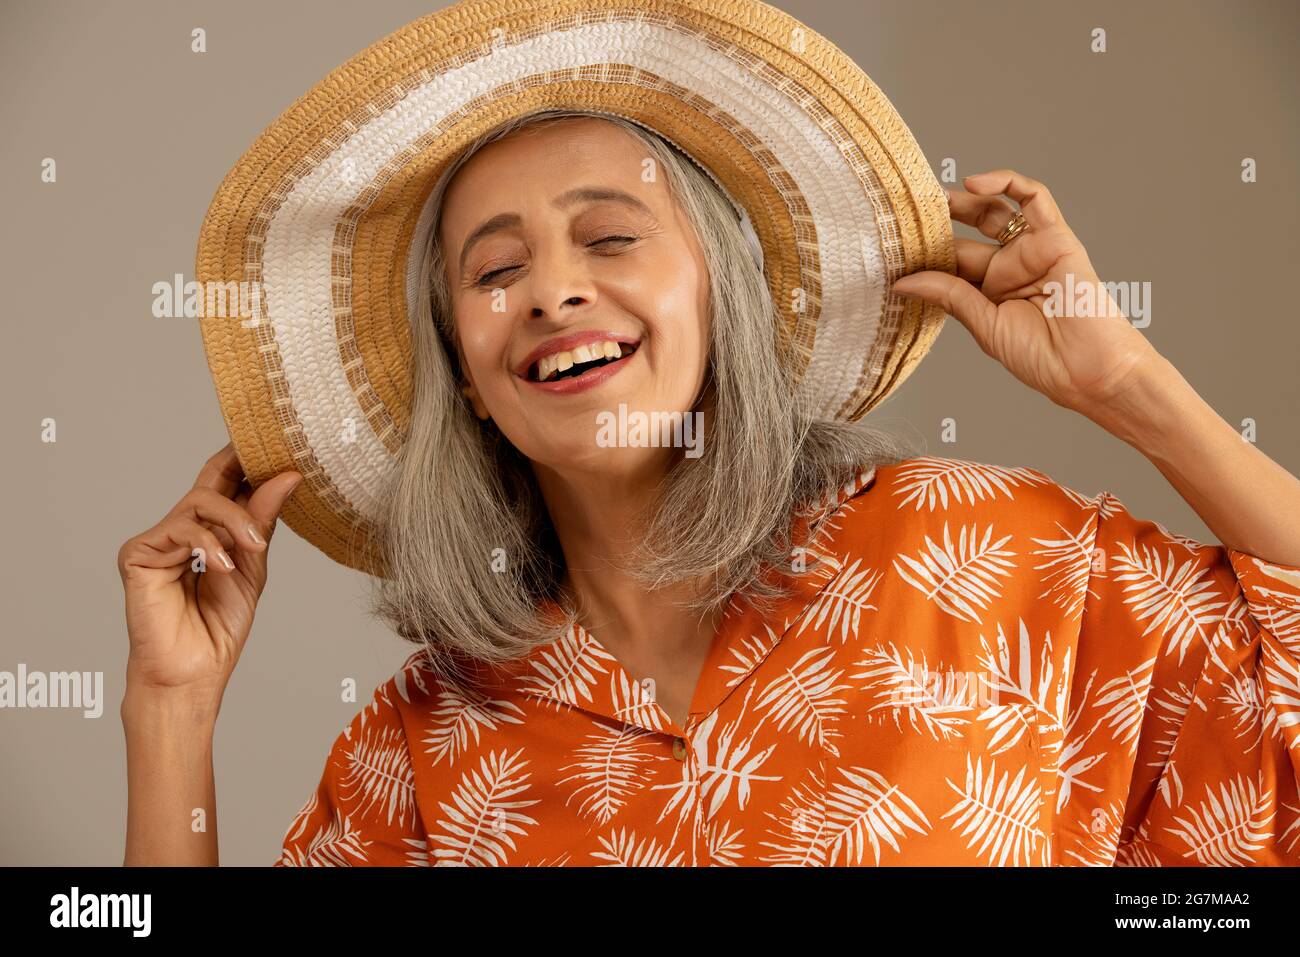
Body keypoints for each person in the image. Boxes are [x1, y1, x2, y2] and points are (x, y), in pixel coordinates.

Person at [119, 109, 1300, 867]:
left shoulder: (973, 552)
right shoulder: (421, 742)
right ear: (471, 381)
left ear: (719, 299)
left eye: (611, 237)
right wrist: (171, 713)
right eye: (495, 269)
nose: (551, 292)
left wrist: (1130, 387)